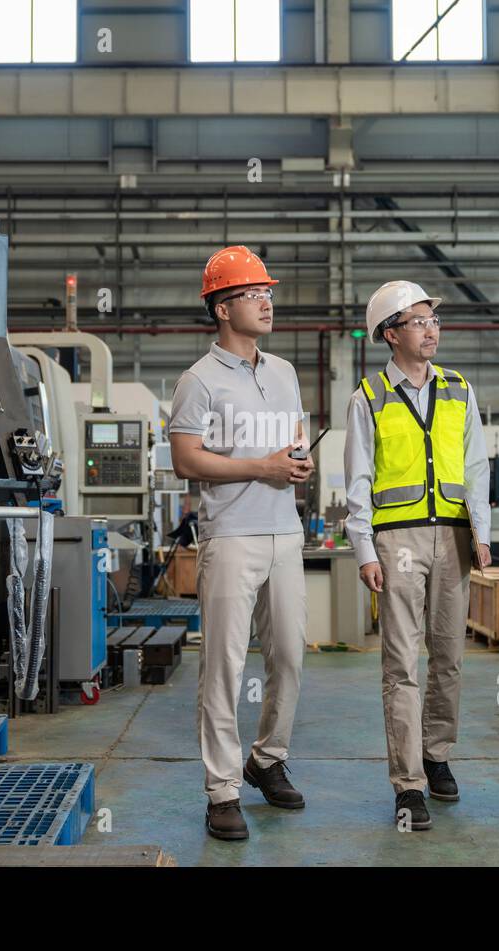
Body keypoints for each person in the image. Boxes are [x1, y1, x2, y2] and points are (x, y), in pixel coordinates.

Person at [168, 245, 314, 841]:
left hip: (286, 533)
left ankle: (267, 759)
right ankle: (222, 789)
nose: (267, 302)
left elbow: (295, 438)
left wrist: (295, 464)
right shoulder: (197, 380)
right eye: (255, 294)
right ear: (224, 308)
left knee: (289, 657)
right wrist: (262, 468)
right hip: (230, 536)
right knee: (224, 666)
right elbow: (185, 459)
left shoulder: (282, 372)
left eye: (269, 293)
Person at [343, 280, 492, 831]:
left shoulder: (459, 389)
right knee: (401, 664)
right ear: (390, 334)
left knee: (449, 657)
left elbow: (476, 466)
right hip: (398, 541)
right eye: (418, 321)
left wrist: (481, 530)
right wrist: (364, 550)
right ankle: (408, 785)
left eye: (433, 320)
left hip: (453, 538)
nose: (431, 329)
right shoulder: (369, 396)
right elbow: (357, 480)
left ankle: (437, 753)